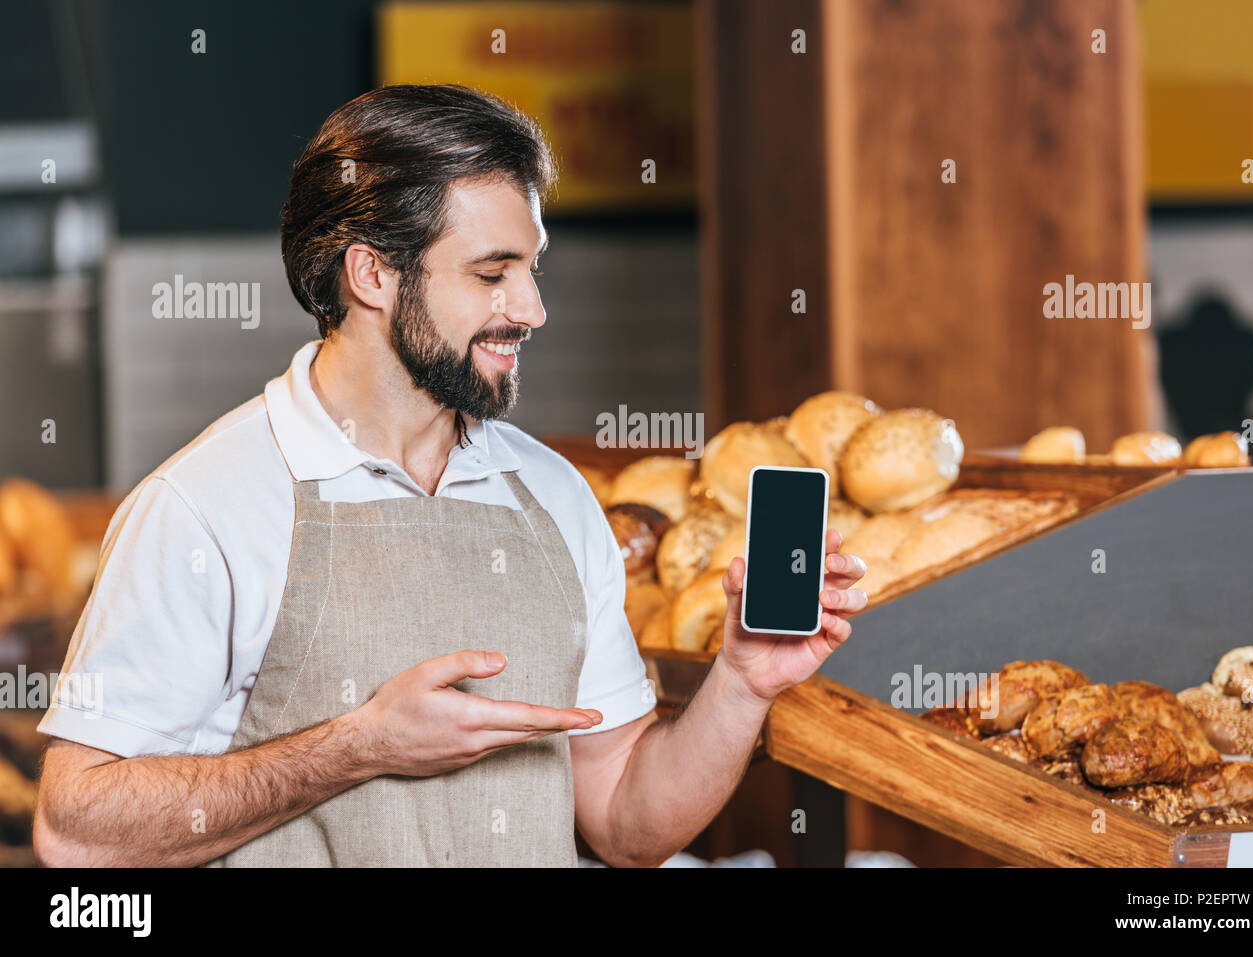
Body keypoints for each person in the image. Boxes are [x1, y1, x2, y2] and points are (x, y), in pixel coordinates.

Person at [33, 84, 867, 867]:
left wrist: (742, 683)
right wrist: (355, 747)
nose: (533, 308)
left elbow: (625, 819)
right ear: (373, 275)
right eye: (491, 273)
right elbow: (77, 831)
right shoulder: (206, 504)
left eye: (532, 268)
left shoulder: (554, 495)